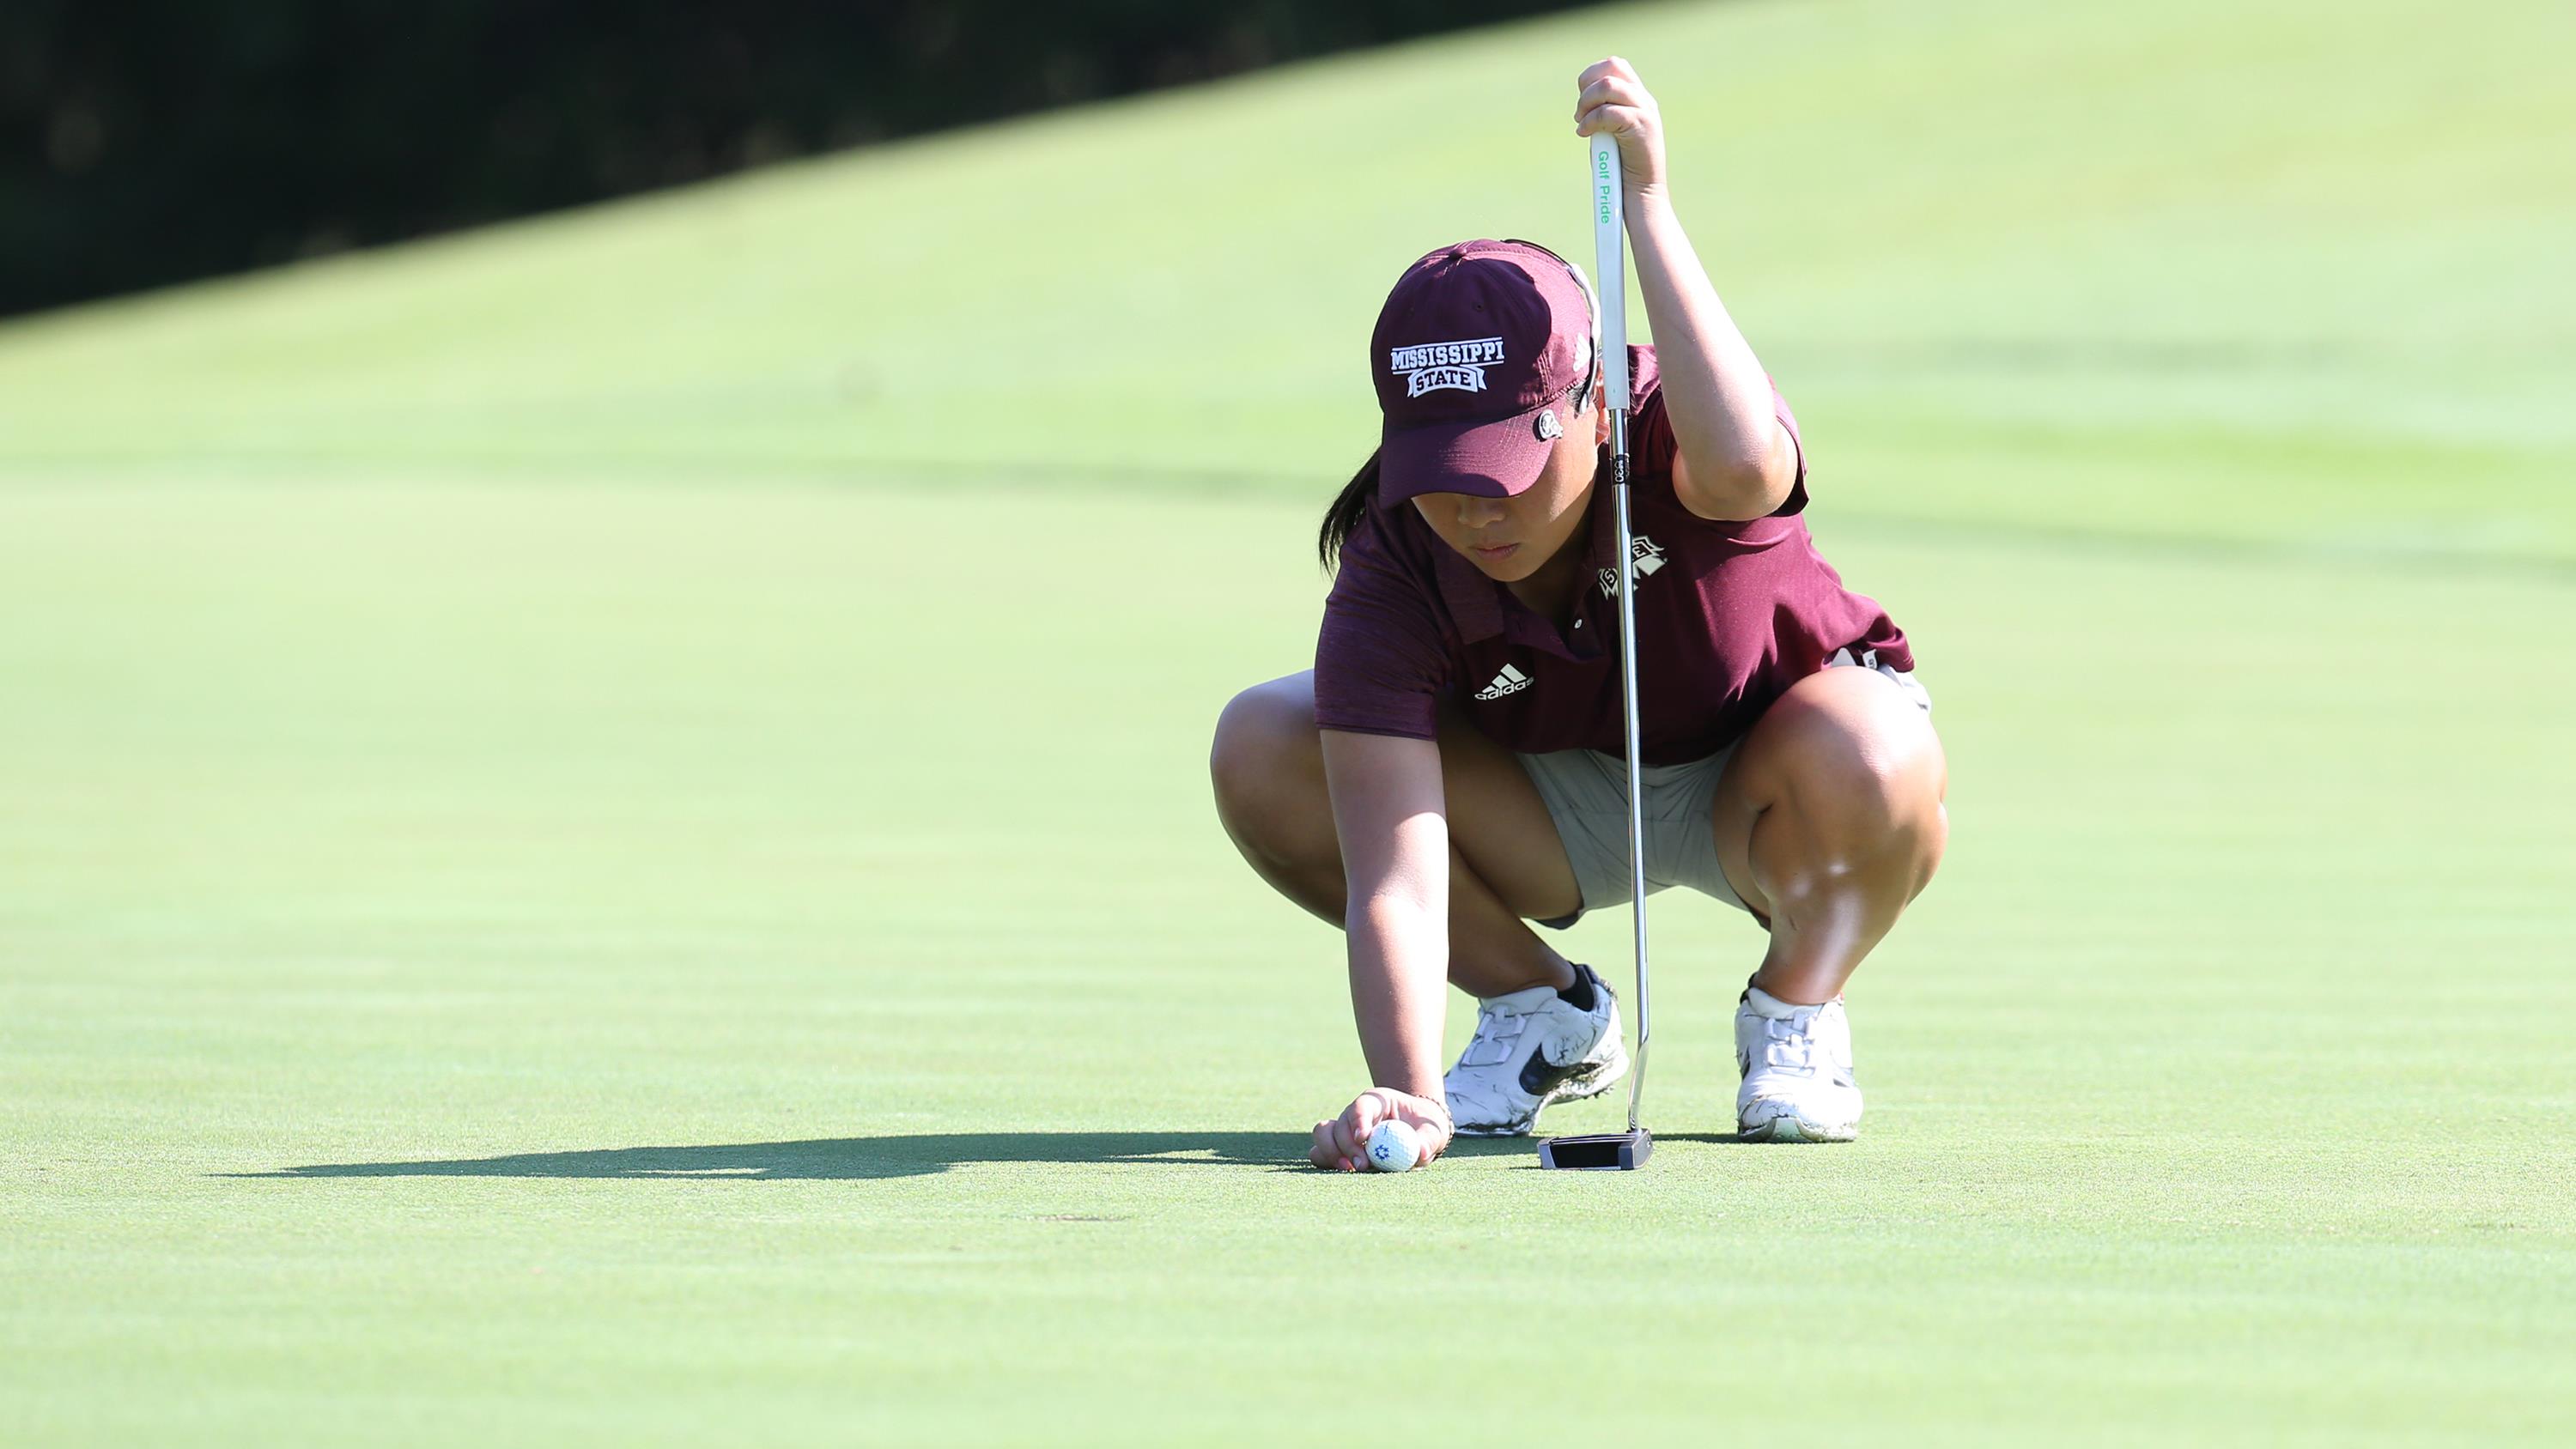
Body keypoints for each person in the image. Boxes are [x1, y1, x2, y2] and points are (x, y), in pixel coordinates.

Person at [1209, 58, 1949, 1172]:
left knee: (1875, 741)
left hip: (1772, 772)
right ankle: (1543, 1015)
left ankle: (1794, 1010)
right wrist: (1404, 1093)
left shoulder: (1673, 432)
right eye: (1441, 469)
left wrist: (1648, 201)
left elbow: (1749, 466)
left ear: (1593, 404)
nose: (1473, 509)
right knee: (1265, 742)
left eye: (1507, 464)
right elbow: (1396, 876)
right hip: (1553, 799)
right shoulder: (1397, 555)